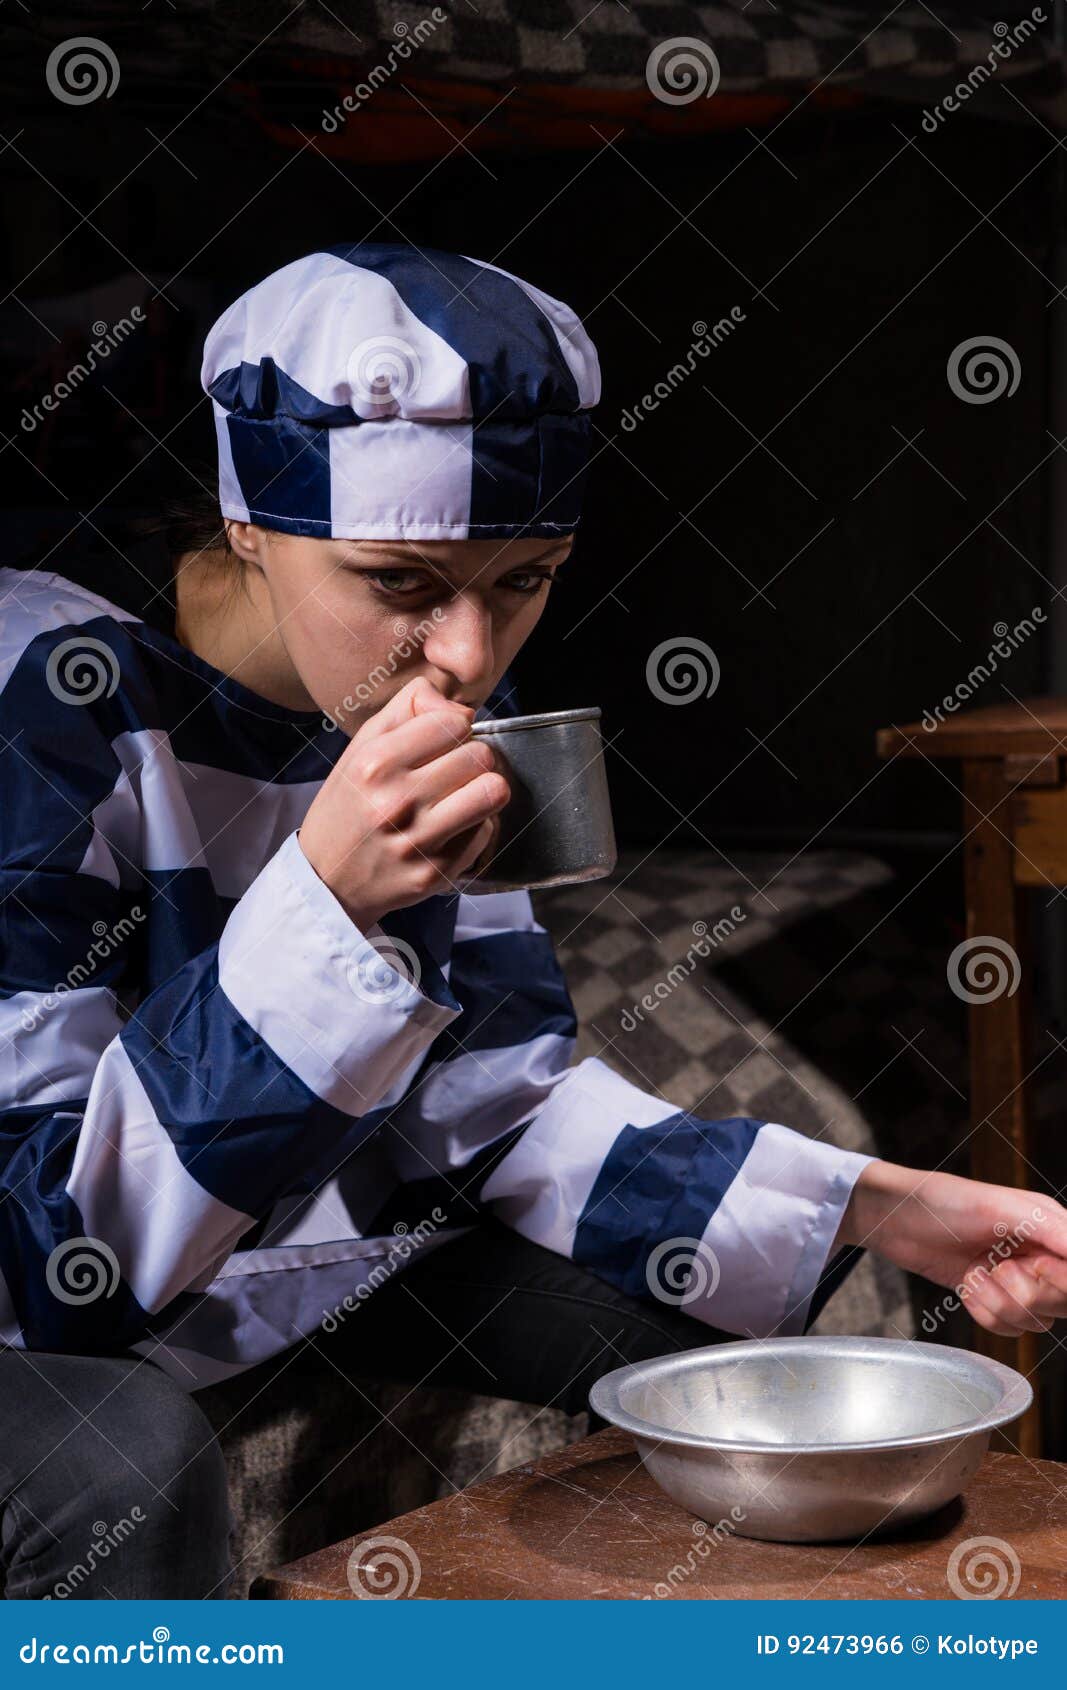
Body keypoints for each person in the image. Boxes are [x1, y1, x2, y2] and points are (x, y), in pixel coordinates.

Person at [1, 243, 1065, 1600]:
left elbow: (497, 1103)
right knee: (128, 1446)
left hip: (268, 1263)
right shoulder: (49, 705)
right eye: (399, 581)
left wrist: (881, 1204)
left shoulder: (401, 713)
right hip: (74, 1305)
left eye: (523, 578)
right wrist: (322, 907)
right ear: (250, 523)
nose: (466, 655)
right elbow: (53, 1279)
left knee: (667, 1324)